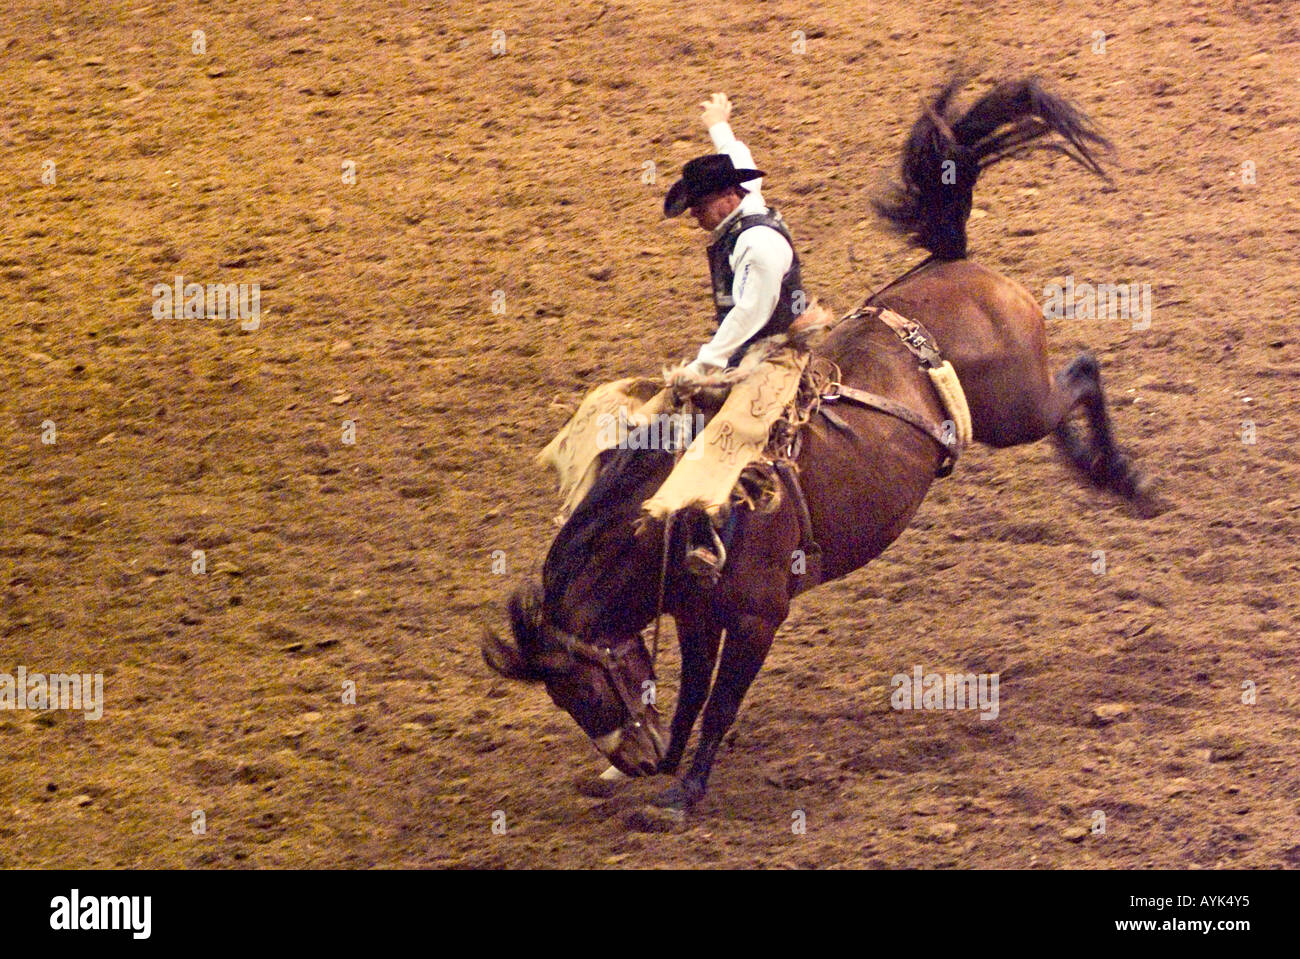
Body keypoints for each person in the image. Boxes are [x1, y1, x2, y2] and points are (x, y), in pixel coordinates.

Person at [663, 92, 805, 377]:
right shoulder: (746, 196)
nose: (693, 214)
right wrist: (718, 123)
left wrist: (701, 368)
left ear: (729, 195)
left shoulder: (757, 243)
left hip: (770, 358)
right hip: (753, 349)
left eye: (699, 205)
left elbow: (749, 313)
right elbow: (736, 155)